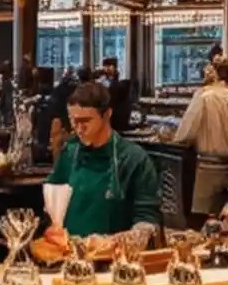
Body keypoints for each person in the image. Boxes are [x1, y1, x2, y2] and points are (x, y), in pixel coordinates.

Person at [44, 82, 162, 245]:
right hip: (70, 255)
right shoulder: (69, 154)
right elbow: (52, 203)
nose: (79, 129)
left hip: (115, 259)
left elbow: (147, 218)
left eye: (85, 121)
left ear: (107, 115)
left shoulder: (134, 159)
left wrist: (118, 242)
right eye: (73, 121)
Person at [173, 57, 228, 219]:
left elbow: (184, 135)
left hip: (207, 170)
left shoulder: (205, 97)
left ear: (216, 76)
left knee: (205, 224)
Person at [100, 57, 132, 133]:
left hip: (119, 113)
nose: (106, 69)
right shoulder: (102, 80)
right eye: (105, 66)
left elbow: (119, 93)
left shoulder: (121, 80)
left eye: (109, 66)